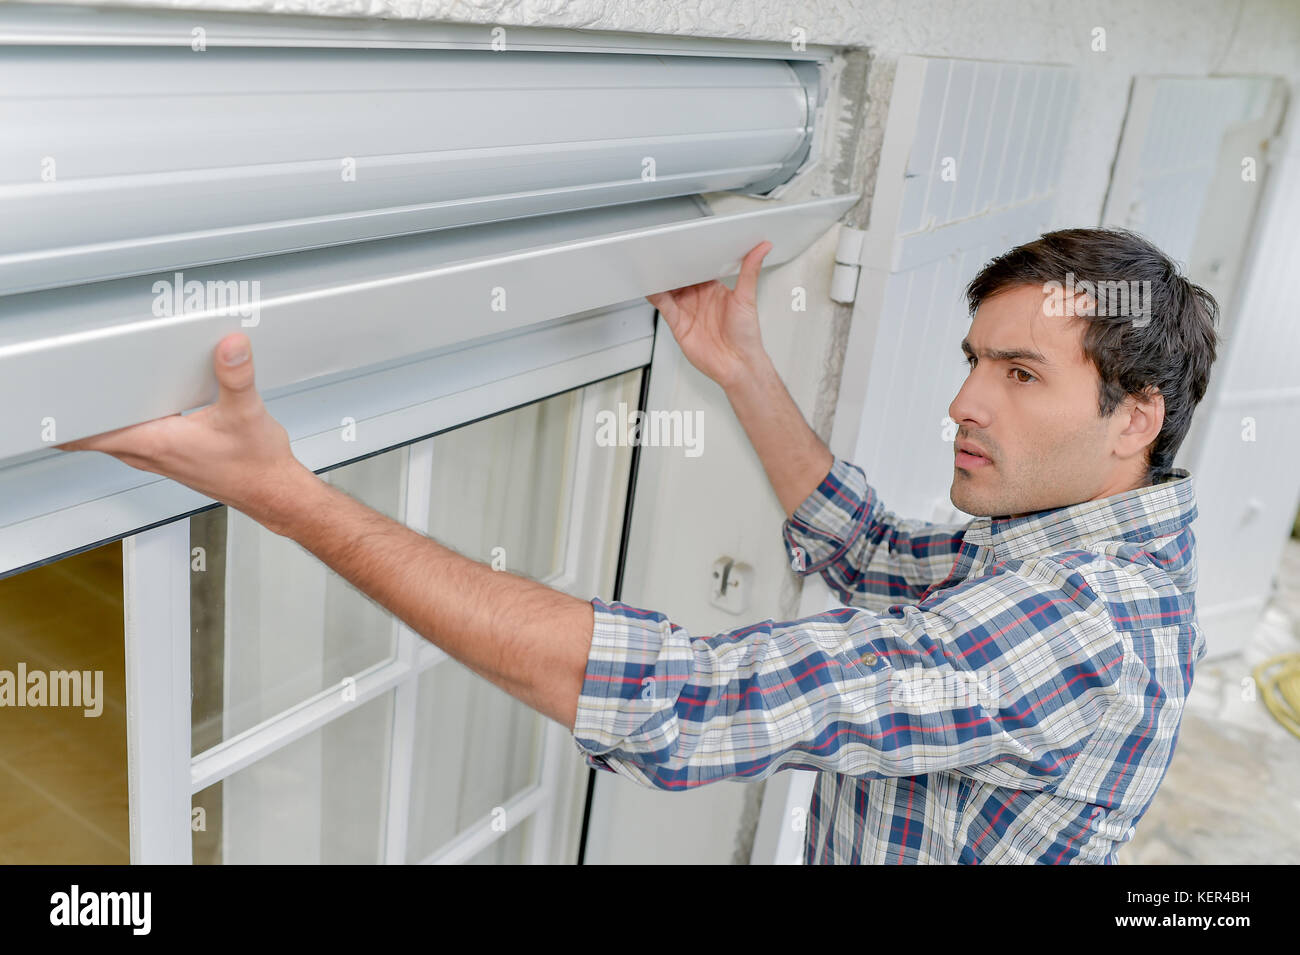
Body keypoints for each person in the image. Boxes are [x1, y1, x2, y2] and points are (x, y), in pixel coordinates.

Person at [58, 226, 1219, 864]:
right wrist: (744, 369)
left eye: (1019, 375)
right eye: (972, 360)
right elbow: (868, 550)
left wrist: (280, 494)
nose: (965, 403)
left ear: (1133, 416)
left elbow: (692, 699)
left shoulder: (1083, 627)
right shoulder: (1047, 554)